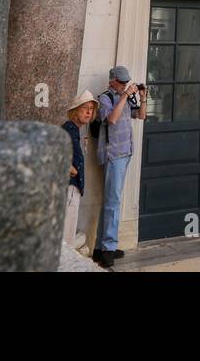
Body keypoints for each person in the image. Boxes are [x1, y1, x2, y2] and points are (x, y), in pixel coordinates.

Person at [93, 66, 146, 268]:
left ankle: (101, 247)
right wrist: (124, 95)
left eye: (127, 82)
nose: (126, 85)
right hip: (113, 154)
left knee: (111, 201)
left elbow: (141, 116)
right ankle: (108, 249)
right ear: (112, 81)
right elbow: (112, 119)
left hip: (126, 152)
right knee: (113, 202)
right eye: (122, 82)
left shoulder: (125, 97)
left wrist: (142, 97)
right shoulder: (105, 98)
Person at [62, 91, 96, 247]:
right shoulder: (69, 129)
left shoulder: (75, 130)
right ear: (75, 111)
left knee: (68, 231)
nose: (89, 112)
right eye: (85, 108)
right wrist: (73, 170)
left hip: (72, 188)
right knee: (67, 234)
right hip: (69, 187)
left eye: (91, 108)